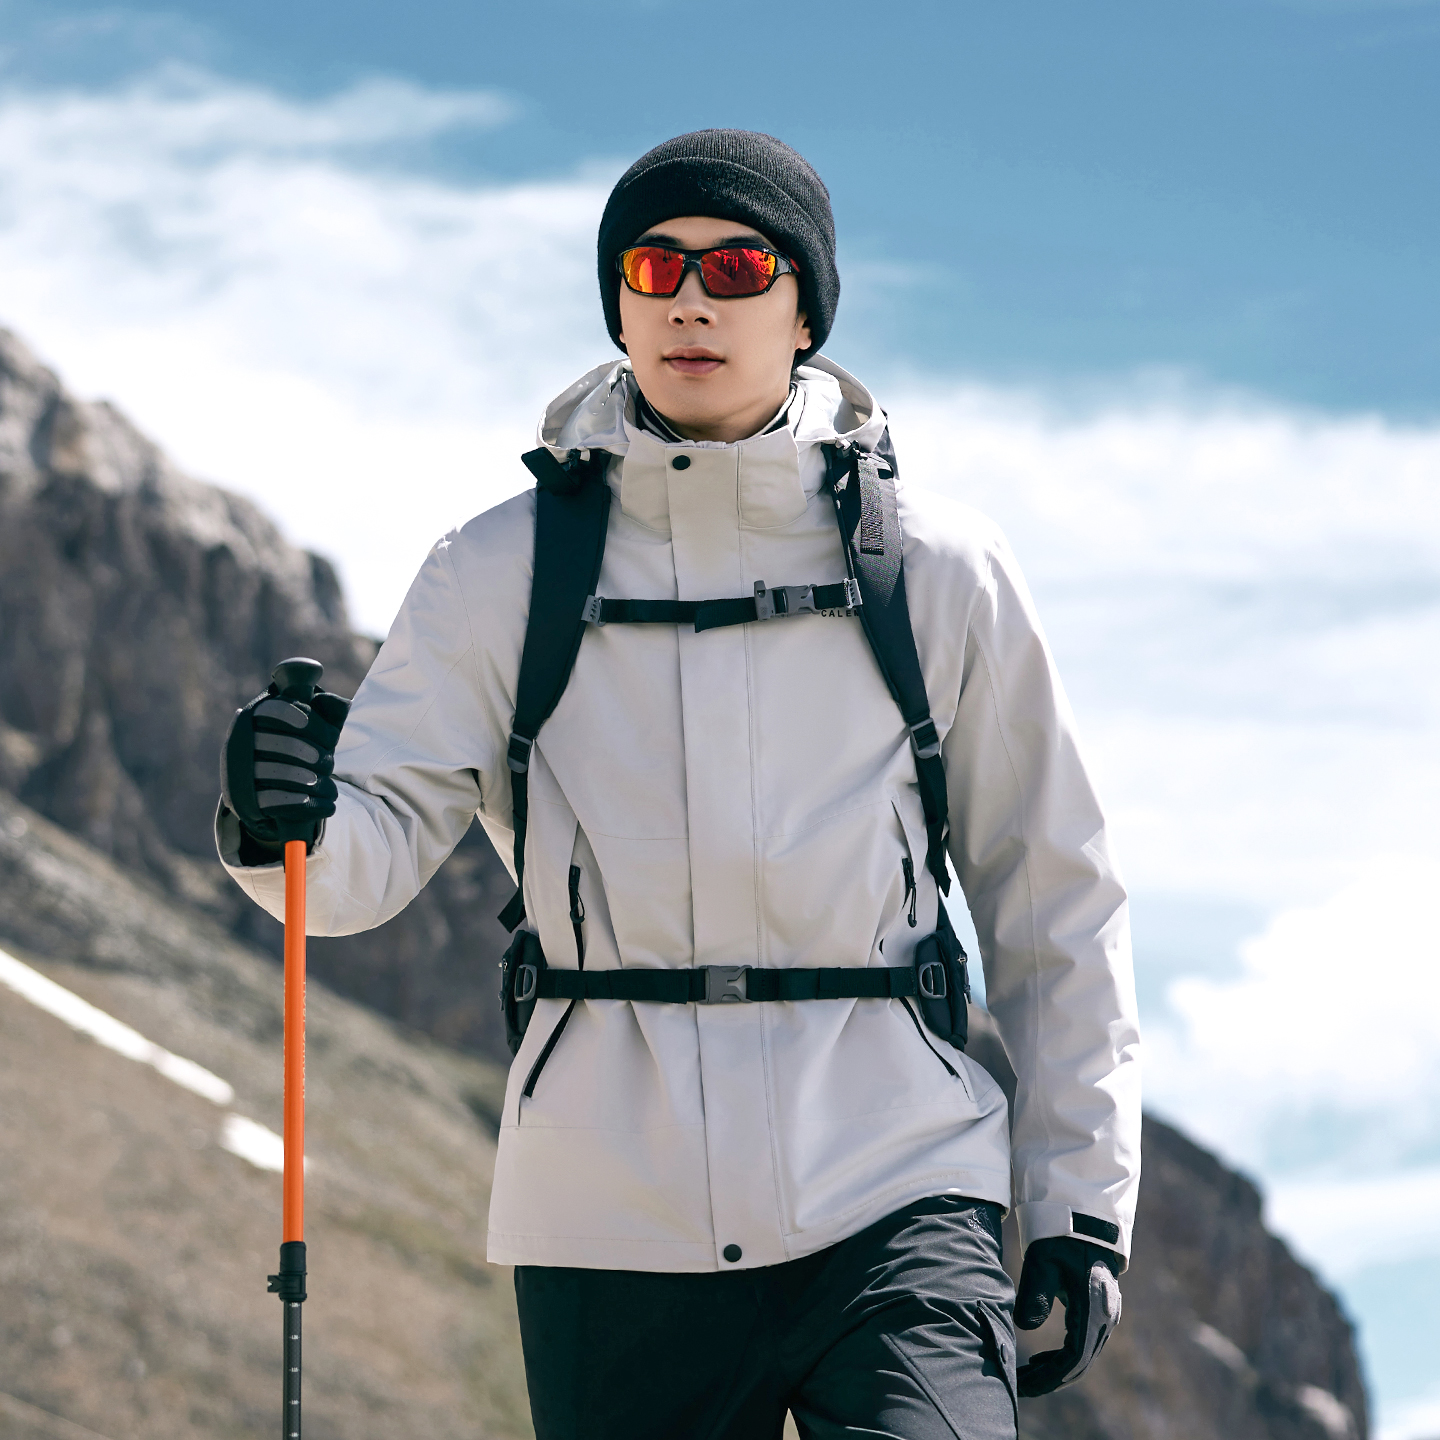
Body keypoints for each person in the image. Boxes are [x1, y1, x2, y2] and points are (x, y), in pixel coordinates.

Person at [218, 129, 1141, 1440]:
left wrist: (1077, 1201)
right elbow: (359, 864)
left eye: (739, 263)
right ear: (618, 305)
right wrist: (281, 816)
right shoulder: (496, 571)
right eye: (654, 267)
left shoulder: (939, 566)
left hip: (895, 1183)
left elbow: (1054, 897)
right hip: (607, 1213)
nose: (691, 298)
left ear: (805, 306)